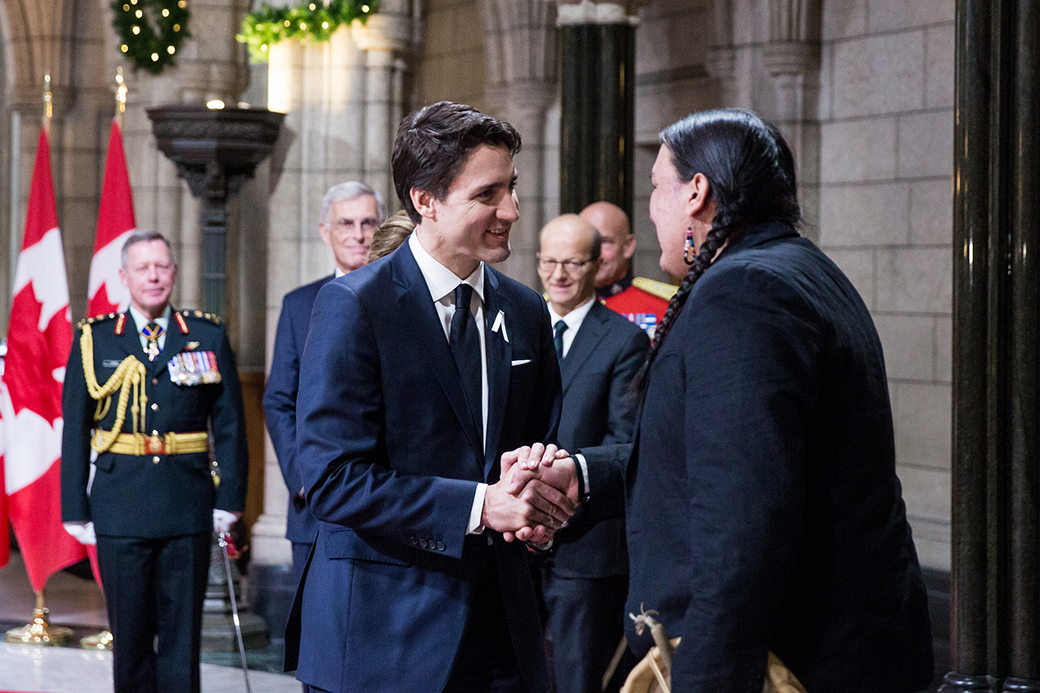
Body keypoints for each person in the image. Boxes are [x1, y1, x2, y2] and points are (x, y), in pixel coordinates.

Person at [579, 109, 933, 692]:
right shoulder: (800, 267)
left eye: (655, 188)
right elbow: (719, 456)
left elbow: (744, 525)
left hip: (798, 658)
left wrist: (707, 680)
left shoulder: (741, 293)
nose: (650, 208)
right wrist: (584, 474)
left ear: (697, 192)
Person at [284, 100, 581, 693]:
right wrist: (479, 507)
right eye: (488, 194)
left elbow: (538, 444)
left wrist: (537, 506)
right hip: (382, 634)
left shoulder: (525, 311)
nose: (512, 211)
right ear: (425, 199)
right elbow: (331, 477)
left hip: (503, 636)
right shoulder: (355, 306)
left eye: (513, 189)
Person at [61, 230, 248, 693]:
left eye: (162, 267)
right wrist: (74, 507)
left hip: (186, 503)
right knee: (130, 637)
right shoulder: (95, 339)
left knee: (182, 639)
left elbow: (229, 425)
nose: (154, 276)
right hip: (119, 505)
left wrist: (231, 497)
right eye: (143, 268)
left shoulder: (205, 334)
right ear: (124, 276)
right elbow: (75, 429)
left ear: (175, 273)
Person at [534, 214, 648, 693]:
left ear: (598, 263)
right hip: (512, 541)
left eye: (572, 263)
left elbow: (629, 443)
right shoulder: (513, 326)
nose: (558, 274)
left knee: (576, 680)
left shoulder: (624, 340)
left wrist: (565, 480)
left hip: (585, 548)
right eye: (549, 262)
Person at [263, 181, 385, 580]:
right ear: (324, 231)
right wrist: (303, 477)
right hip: (315, 503)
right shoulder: (299, 305)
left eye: (368, 223)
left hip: (387, 497)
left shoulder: (403, 299)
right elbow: (280, 398)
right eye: (345, 223)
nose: (358, 234)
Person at [579, 201, 675, 335]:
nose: (595, 254)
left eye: (605, 242)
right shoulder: (552, 308)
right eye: (586, 243)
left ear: (628, 246)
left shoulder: (666, 305)